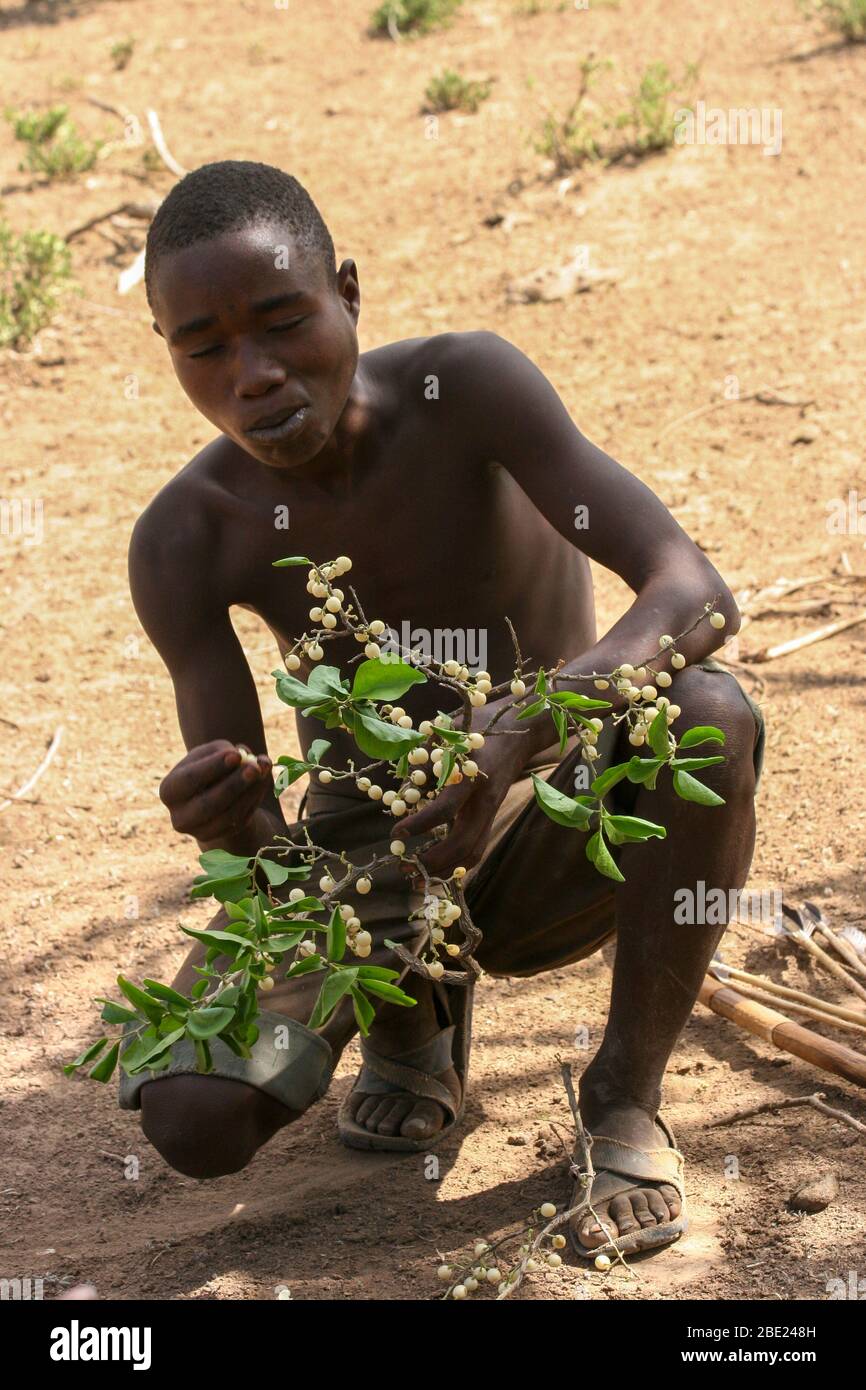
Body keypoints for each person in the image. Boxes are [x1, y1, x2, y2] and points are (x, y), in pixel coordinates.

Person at [121, 160, 764, 1259]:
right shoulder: (188, 534)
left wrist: (515, 736)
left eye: (283, 321)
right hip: (366, 856)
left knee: (706, 713)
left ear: (351, 295)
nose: (256, 373)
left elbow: (691, 592)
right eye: (206, 347)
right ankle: (408, 1025)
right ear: (170, 356)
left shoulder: (464, 391)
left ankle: (619, 1094)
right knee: (194, 1119)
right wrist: (237, 823)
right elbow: (271, 862)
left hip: (557, 804)